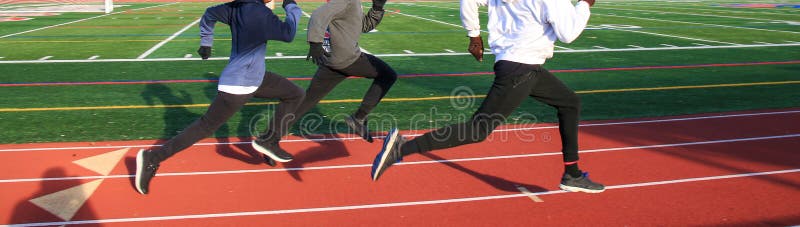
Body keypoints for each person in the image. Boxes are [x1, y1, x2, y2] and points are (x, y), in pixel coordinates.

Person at [370, 0, 605, 193]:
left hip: (521, 65)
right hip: (521, 69)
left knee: (570, 103)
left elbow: (469, 1)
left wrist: (474, 35)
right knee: (478, 130)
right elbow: (568, 34)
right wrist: (584, 4)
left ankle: (572, 173)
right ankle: (401, 149)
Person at [135, 0, 303, 195]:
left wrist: (206, 42)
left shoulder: (236, 7)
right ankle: (152, 158)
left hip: (255, 75)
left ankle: (268, 141)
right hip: (240, 83)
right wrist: (291, 6)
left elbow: (209, 13)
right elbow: (289, 33)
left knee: (295, 94)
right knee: (205, 126)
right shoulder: (258, 13)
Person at [250, 0, 397, 162]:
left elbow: (364, 25)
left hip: (330, 62)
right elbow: (318, 15)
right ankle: (359, 118)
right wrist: (315, 44)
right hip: (348, 59)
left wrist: (377, 8)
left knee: (304, 102)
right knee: (388, 75)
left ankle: (269, 140)